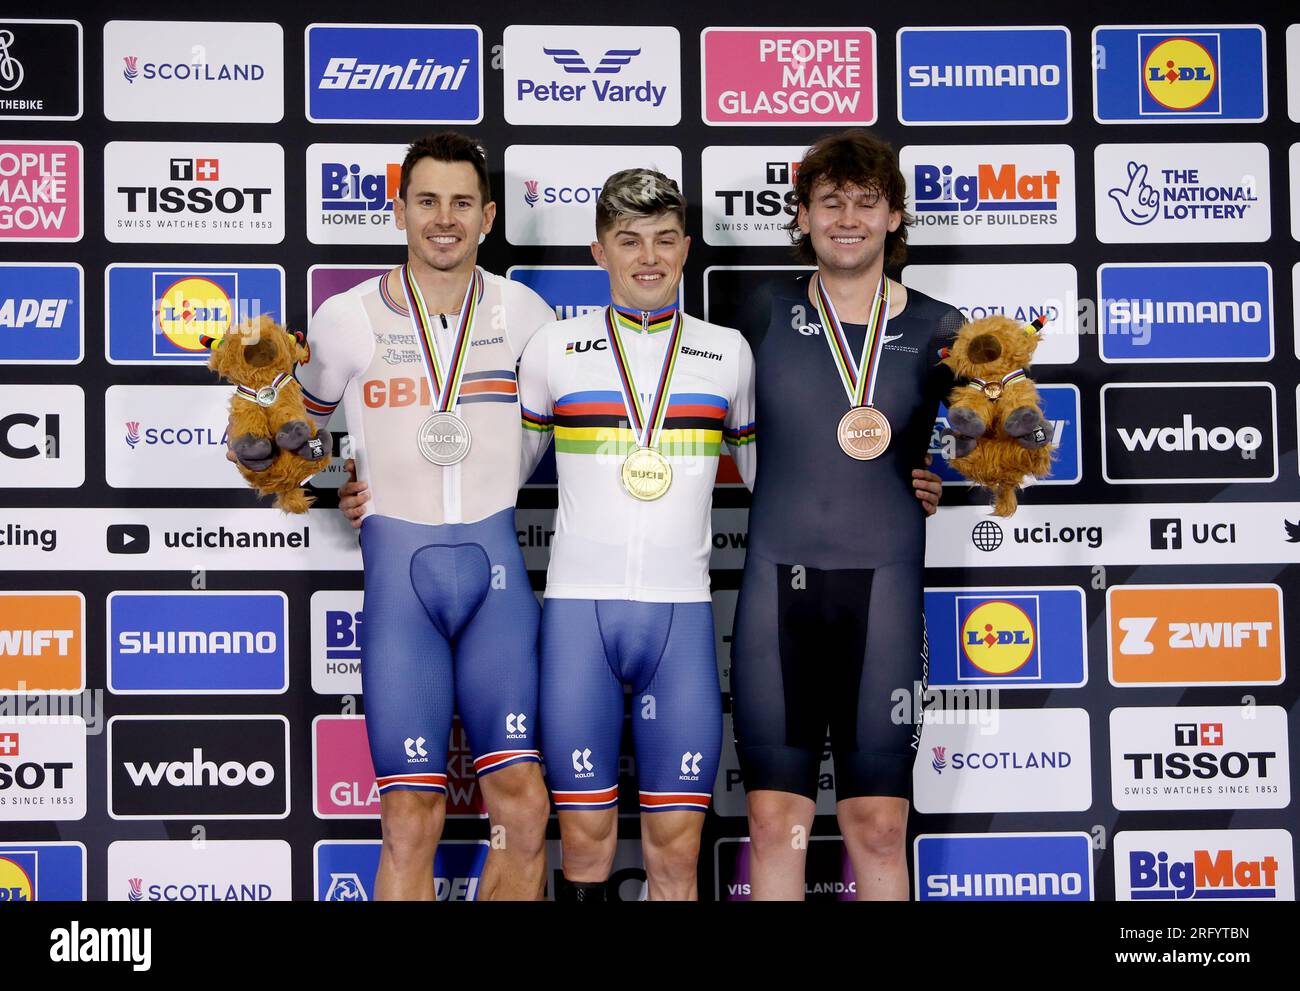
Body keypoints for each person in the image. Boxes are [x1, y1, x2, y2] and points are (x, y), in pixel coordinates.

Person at [233, 132, 555, 900]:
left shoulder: (528, 312)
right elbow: (275, 447)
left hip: (497, 579)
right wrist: (337, 478)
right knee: (410, 814)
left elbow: (568, 440)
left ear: (488, 215)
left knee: (524, 807)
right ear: (398, 210)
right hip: (399, 590)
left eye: (461, 203)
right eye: (427, 201)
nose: (444, 219)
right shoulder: (346, 318)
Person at [730, 130, 963, 901]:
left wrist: (939, 478)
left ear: (897, 217)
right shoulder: (761, 308)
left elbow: (1000, 439)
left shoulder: (940, 326)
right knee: (774, 824)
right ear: (801, 216)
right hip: (775, 591)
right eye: (830, 201)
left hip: (885, 588)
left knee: (878, 829)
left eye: (868, 202)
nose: (849, 218)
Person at [513, 168, 754, 901]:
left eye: (663, 239)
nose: (647, 256)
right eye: (628, 240)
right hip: (578, 617)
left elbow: (777, 481)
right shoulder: (554, 348)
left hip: (680, 616)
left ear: (685, 248)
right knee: (583, 840)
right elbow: (497, 479)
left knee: (676, 851)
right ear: (599, 252)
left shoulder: (728, 350)